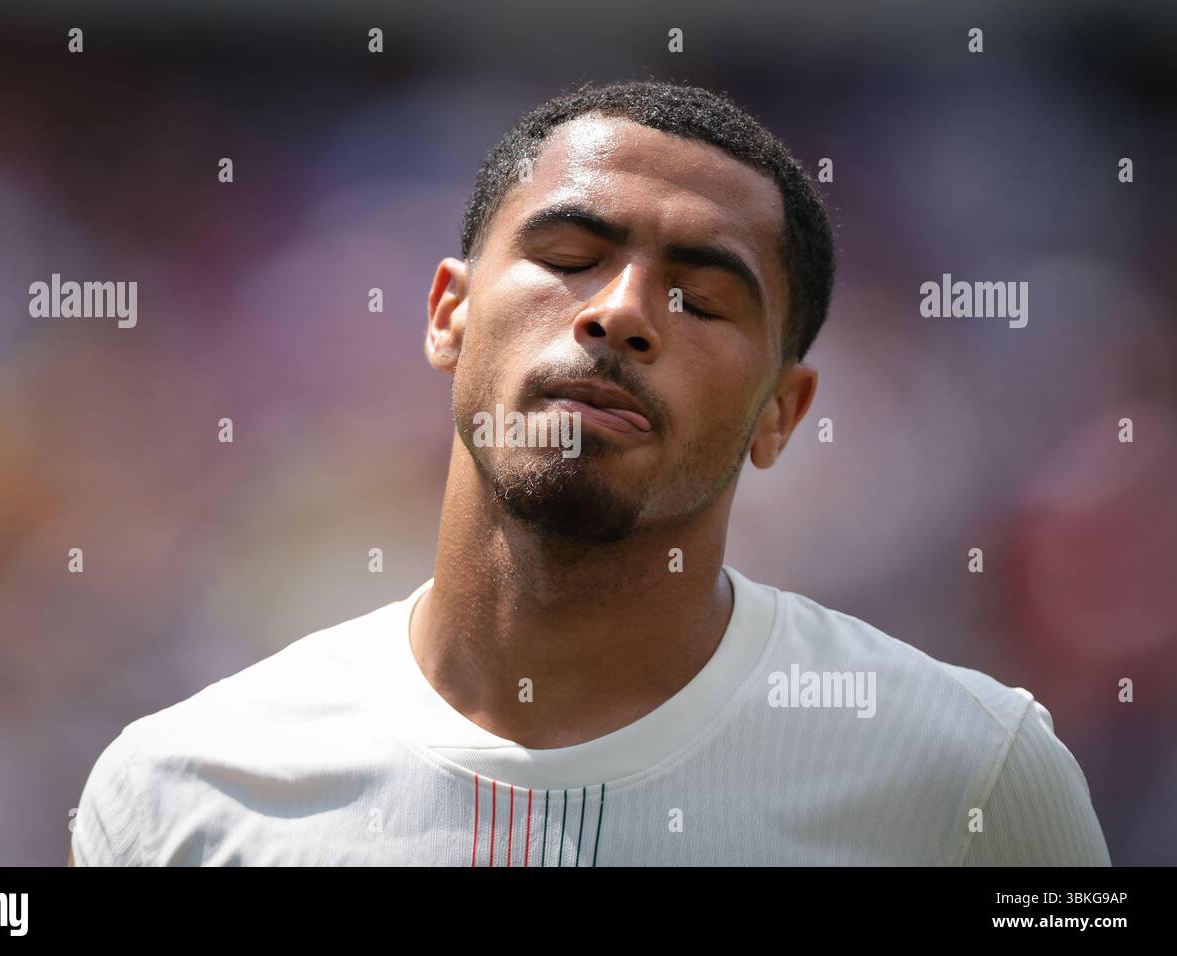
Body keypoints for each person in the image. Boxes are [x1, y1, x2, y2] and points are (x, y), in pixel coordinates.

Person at [70, 79, 1110, 866]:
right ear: (447, 313)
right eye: (569, 254)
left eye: (702, 298)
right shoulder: (176, 790)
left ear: (780, 414)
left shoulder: (971, 777)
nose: (618, 311)